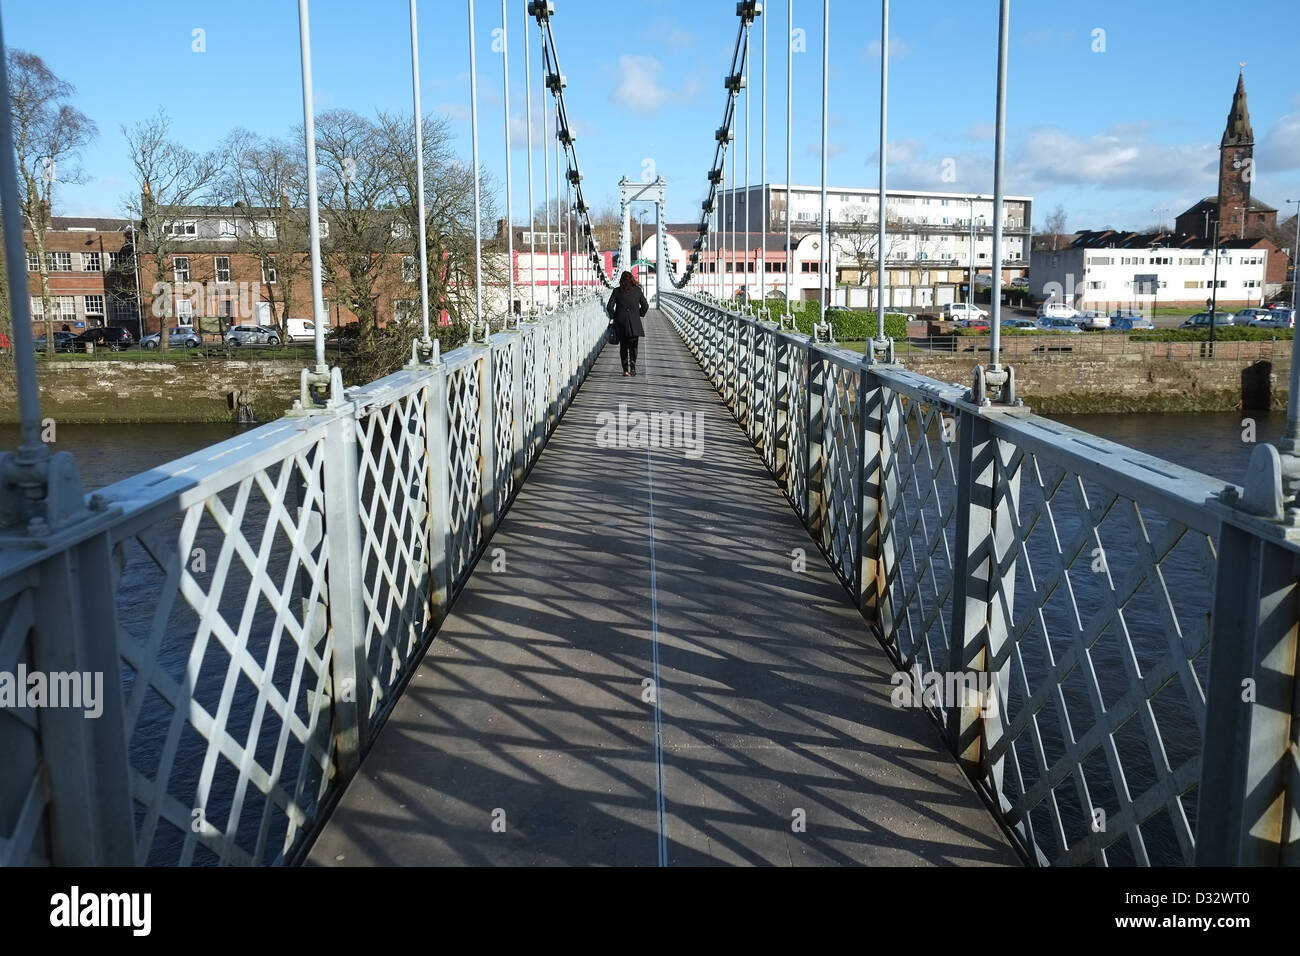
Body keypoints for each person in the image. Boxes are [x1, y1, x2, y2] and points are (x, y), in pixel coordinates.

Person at [606, 270, 648, 377]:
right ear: (631, 280)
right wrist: (639, 314)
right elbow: (645, 306)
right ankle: (633, 365)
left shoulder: (616, 291)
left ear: (621, 280)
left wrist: (614, 317)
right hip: (634, 323)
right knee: (634, 346)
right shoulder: (637, 291)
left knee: (623, 347)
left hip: (621, 323)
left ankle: (625, 370)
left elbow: (609, 307)